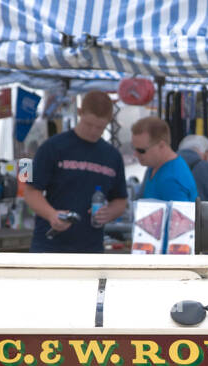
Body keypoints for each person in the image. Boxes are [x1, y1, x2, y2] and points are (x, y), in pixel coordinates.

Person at [23, 90, 128, 254]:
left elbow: (120, 201)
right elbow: (30, 192)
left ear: (109, 121)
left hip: (91, 249)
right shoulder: (52, 147)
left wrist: (110, 212)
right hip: (49, 247)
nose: (93, 131)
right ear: (80, 113)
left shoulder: (112, 156)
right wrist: (52, 215)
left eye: (100, 127)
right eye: (89, 124)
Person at [132, 117, 197, 202]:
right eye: (134, 148)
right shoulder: (154, 165)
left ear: (161, 146)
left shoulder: (172, 181)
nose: (135, 154)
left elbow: (181, 215)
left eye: (141, 150)